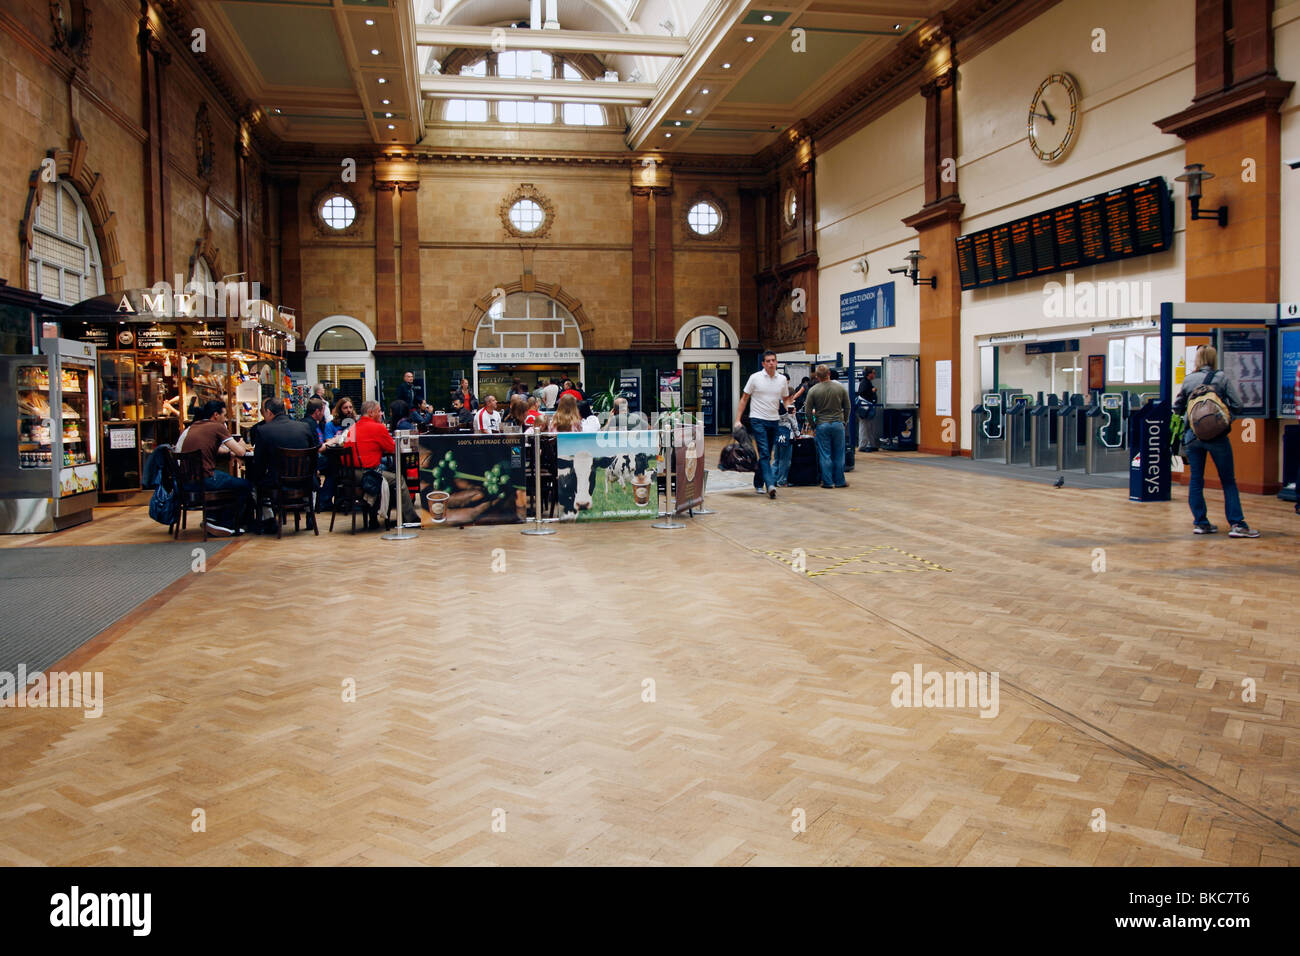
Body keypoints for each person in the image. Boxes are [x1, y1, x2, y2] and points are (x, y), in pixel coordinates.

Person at [1172, 344, 1259, 537]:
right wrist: (1225, 421)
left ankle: (1201, 523)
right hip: (1217, 437)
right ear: (1213, 359)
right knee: (1228, 480)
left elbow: (1177, 407)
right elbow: (1238, 404)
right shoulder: (1221, 378)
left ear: (1197, 360)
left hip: (1192, 437)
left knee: (1196, 480)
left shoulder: (1188, 380)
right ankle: (1237, 525)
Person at [182, 399, 252, 534]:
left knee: (225, 479)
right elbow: (241, 452)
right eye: (224, 415)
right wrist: (242, 444)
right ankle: (226, 523)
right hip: (205, 479)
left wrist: (228, 452)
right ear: (215, 415)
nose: (225, 419)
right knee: (244, 485)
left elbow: (208, 449)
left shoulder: (194, 426)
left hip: (187, 482)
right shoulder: (217, 427)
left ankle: (212, 518)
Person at [351, 400, 419, 527]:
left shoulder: (352, 427)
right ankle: (410, 518)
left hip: (350, 475)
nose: (381, 414)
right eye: (378, 411)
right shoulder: (378, 428)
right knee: (399, 480)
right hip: (367, 473)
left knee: (381, 472)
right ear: (371, 413)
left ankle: (373, 519)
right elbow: (394, 449)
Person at [735, 350, 790, 498]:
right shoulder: (755, 378)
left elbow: (785, 398)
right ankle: (770, 485)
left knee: (767, 454)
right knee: (765, 452)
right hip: (757, 419)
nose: (771, 363)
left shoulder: (782, 380)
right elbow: (744, 398)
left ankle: (758, 482)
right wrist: (738, 419)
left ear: (776, 362)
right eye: (768, 361)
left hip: (774, 420)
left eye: (773, 360)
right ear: (763, 363)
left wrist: (789, 408)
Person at [806, 364, 850, 489]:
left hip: (822, 424)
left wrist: (813, 424)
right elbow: (847, 406)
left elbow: (808, 411)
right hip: (838, 424)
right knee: (839, 454)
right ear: (829, 373)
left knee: (825, 454)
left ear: (817, 376)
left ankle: (828, 482)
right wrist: (844, 420)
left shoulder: (813, 390)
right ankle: (840, 481)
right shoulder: (840, 388)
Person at [774, 400, 799, 487]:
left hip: (776, 434)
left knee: (776, 459)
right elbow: (794, 424)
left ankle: (772, 480)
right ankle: (782, 481)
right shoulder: (789, 408)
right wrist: (797, 434)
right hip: (787, 435)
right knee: (785, 460)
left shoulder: (776, 404)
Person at [857, 367, 880, 452]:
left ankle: (870, 444)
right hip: (865, 409)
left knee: (868, 427)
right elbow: (863, 394)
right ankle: (863, 445)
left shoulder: (866, 382)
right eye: (873, 373)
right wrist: (872, 391)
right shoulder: (865, 383)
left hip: (865, 408)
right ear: (868, 374)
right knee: (865, 427)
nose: (874, 375)